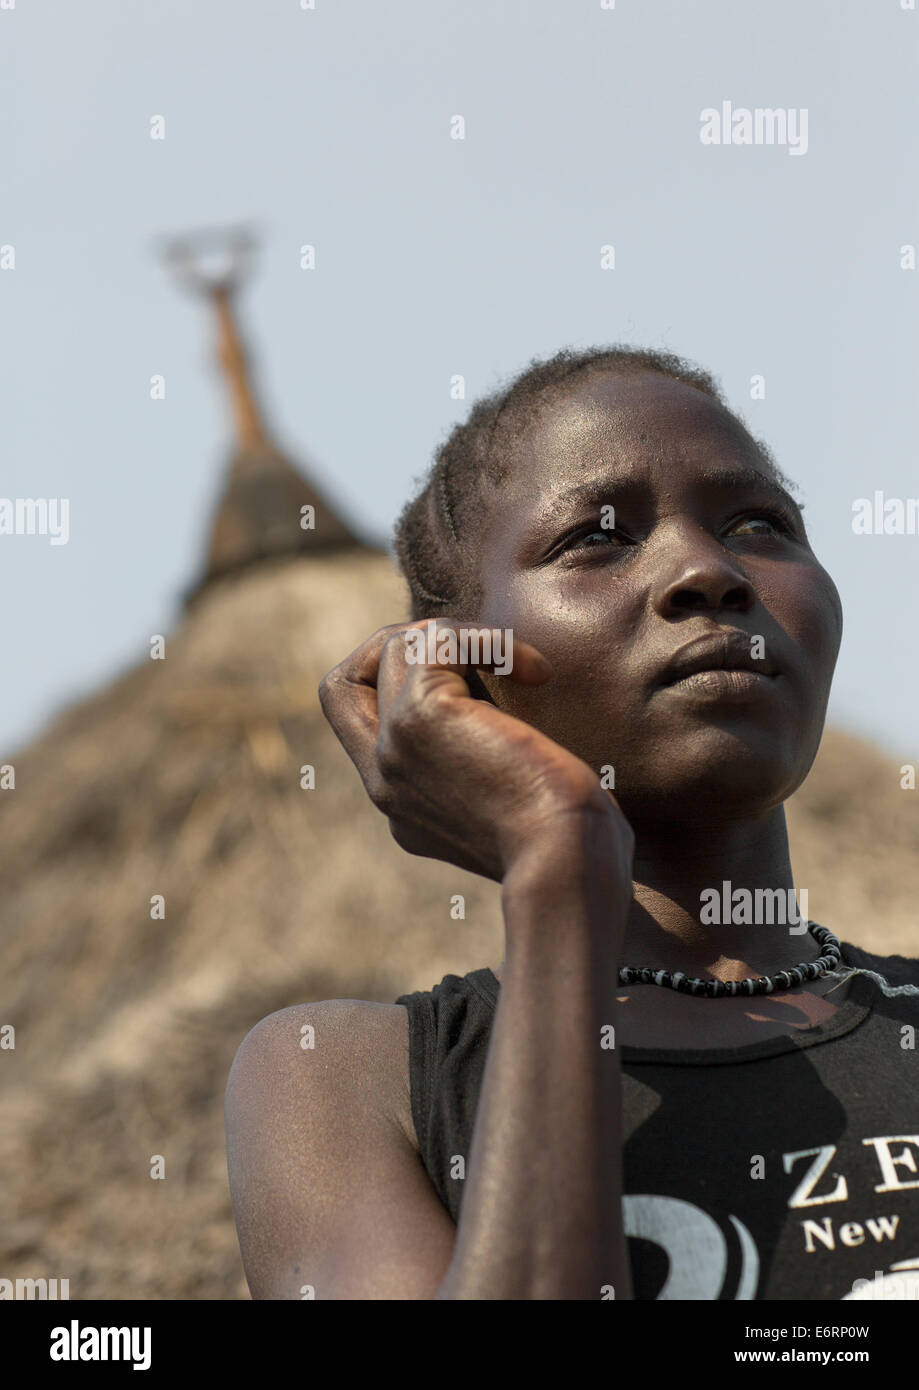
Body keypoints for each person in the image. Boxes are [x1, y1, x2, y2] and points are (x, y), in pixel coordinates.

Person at [225, 345, 919, 1301]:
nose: (707, 572)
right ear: (456, 668)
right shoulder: (350, 1083)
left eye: (758, 524)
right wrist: (557, 859)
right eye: (595, 539)